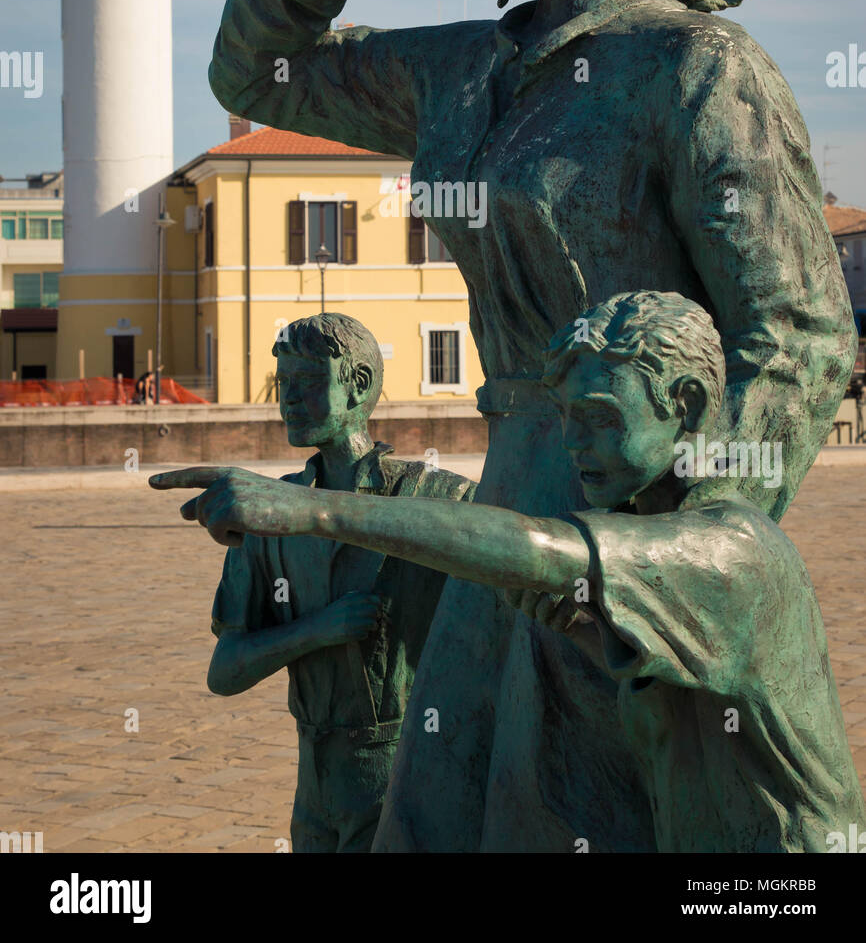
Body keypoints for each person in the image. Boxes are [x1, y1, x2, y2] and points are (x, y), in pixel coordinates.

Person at [198, 0, 856, 852]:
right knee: (435, 820)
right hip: (501, 514)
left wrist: (682, 560)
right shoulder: (460, 70)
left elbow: (795, 332)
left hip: (622, 519)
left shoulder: (694, 68)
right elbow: (253, 74)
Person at [153, 293, 866, 854]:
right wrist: (591, 638)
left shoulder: (732, 551)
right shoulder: (658, 550)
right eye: (565, 418)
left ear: (686, 407)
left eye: (597, 418)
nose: (573, 446)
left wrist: (313, 511)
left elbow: (541, 549)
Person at [194, 313, 473, 853]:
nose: (289, 401)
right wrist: (315, 631)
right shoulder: (266, 516)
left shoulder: (438, 498)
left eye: (307, 382)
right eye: (283, 385)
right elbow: (224, 673)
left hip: (405, 780)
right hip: (314, 788)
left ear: (358, 386)